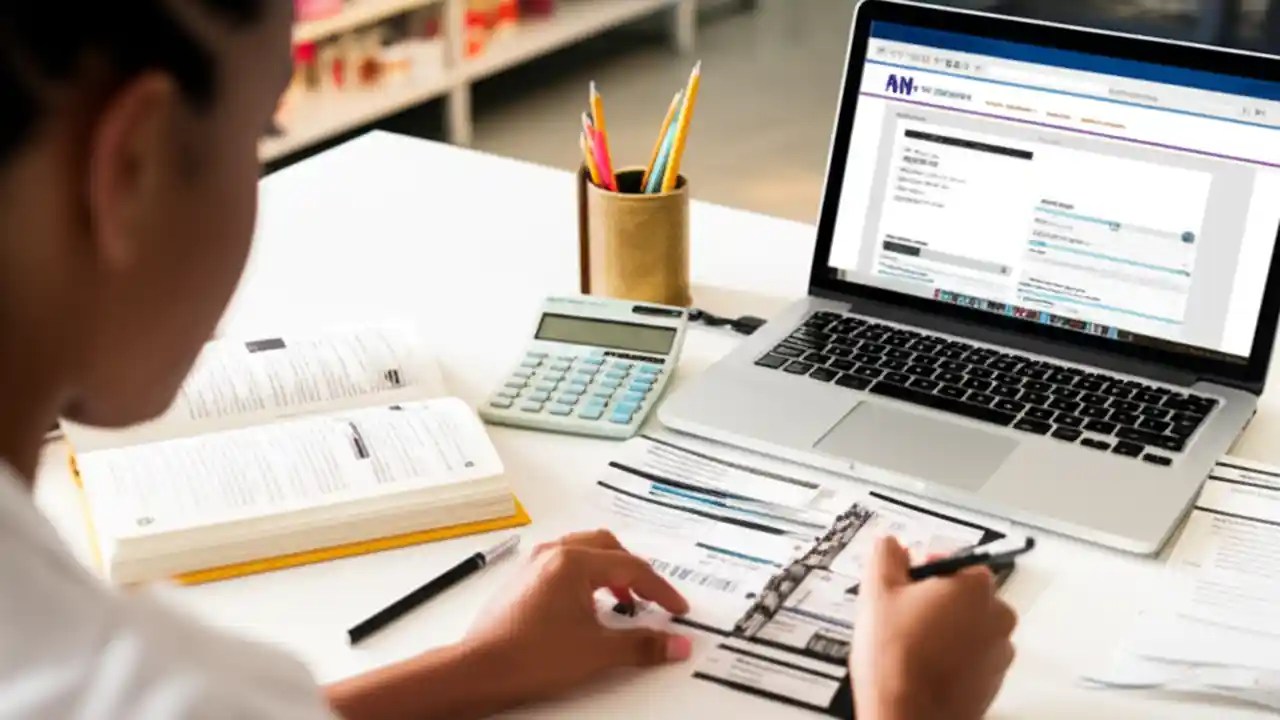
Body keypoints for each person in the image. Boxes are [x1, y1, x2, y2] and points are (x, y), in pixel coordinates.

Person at [0, 3, 1017, 719]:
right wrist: (909, 708)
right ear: (127, 169)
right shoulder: (126, 679)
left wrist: (477, 666)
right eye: (261, 131)